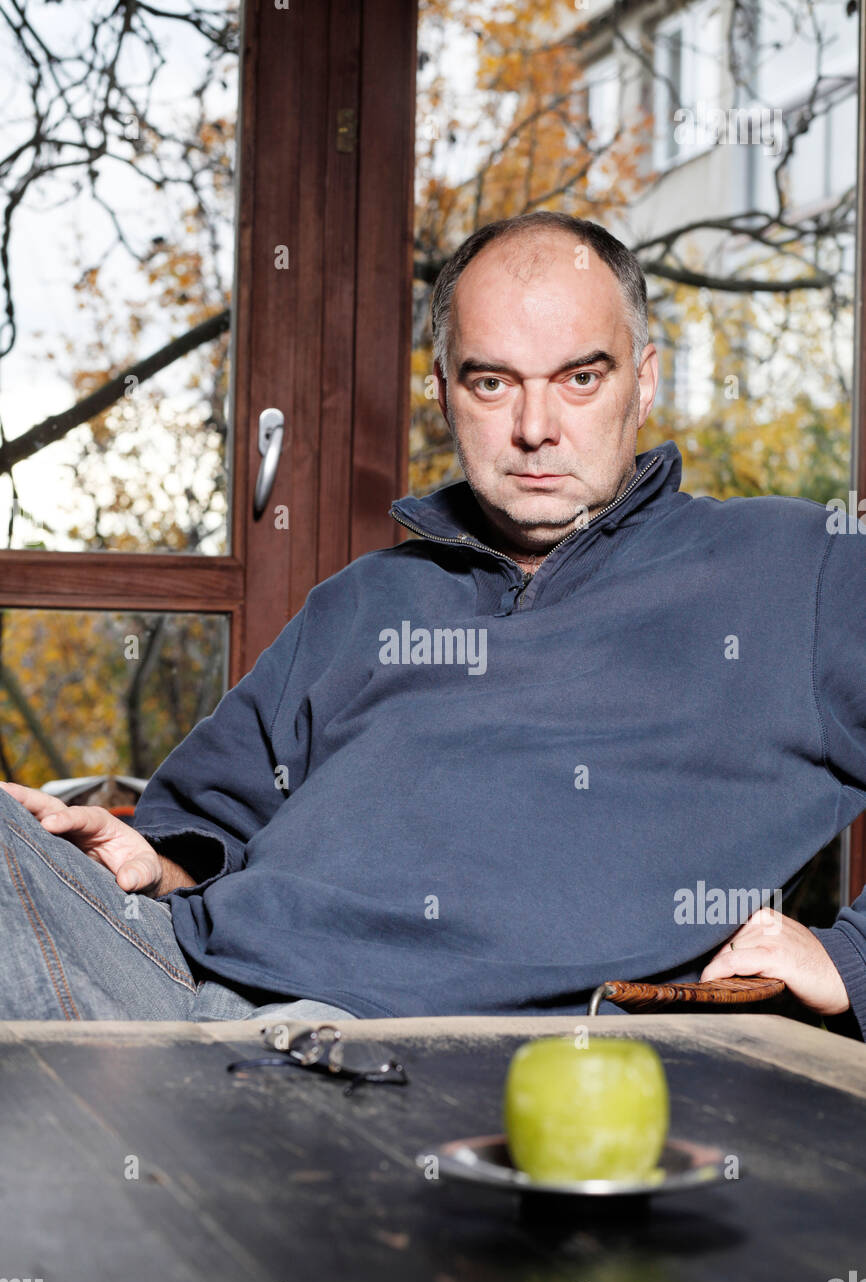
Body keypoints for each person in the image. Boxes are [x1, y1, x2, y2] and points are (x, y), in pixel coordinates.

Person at [1, 209, 863, 1039]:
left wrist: (851, 959)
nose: (534, 429)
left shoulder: (795, 566)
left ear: (644, 383)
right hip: (175, 970)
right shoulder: (363, 600)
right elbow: (206, 816)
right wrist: (153, 860)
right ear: (446, 395)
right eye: (493, 383)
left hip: (425, 1042)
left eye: (579, 378)